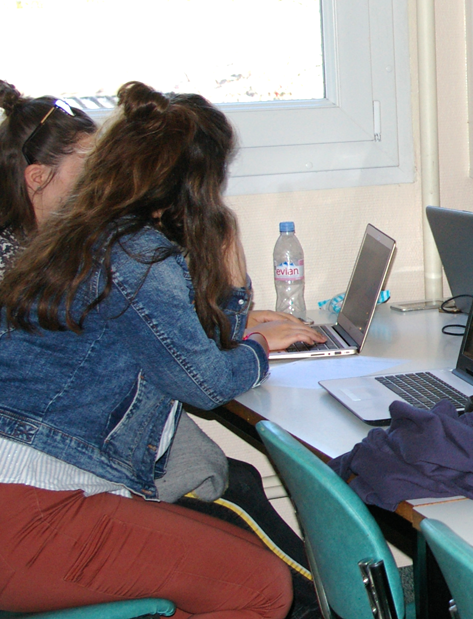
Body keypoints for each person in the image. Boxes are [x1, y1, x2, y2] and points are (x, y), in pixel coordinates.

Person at [0, 82, 326, 618]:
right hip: (31, 511)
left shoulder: (85, 233)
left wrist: (239, 317)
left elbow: (169, 334)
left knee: (243, 554)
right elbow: (204, 383)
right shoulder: (134, 253)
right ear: (194, 185)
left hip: (28, 493)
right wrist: (259, 347)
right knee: (261, 585)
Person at [0, 80, 96, 278]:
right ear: (38, 177)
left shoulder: (74, 238)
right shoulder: (10, 266)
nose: (98, 178)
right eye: (87, 167)